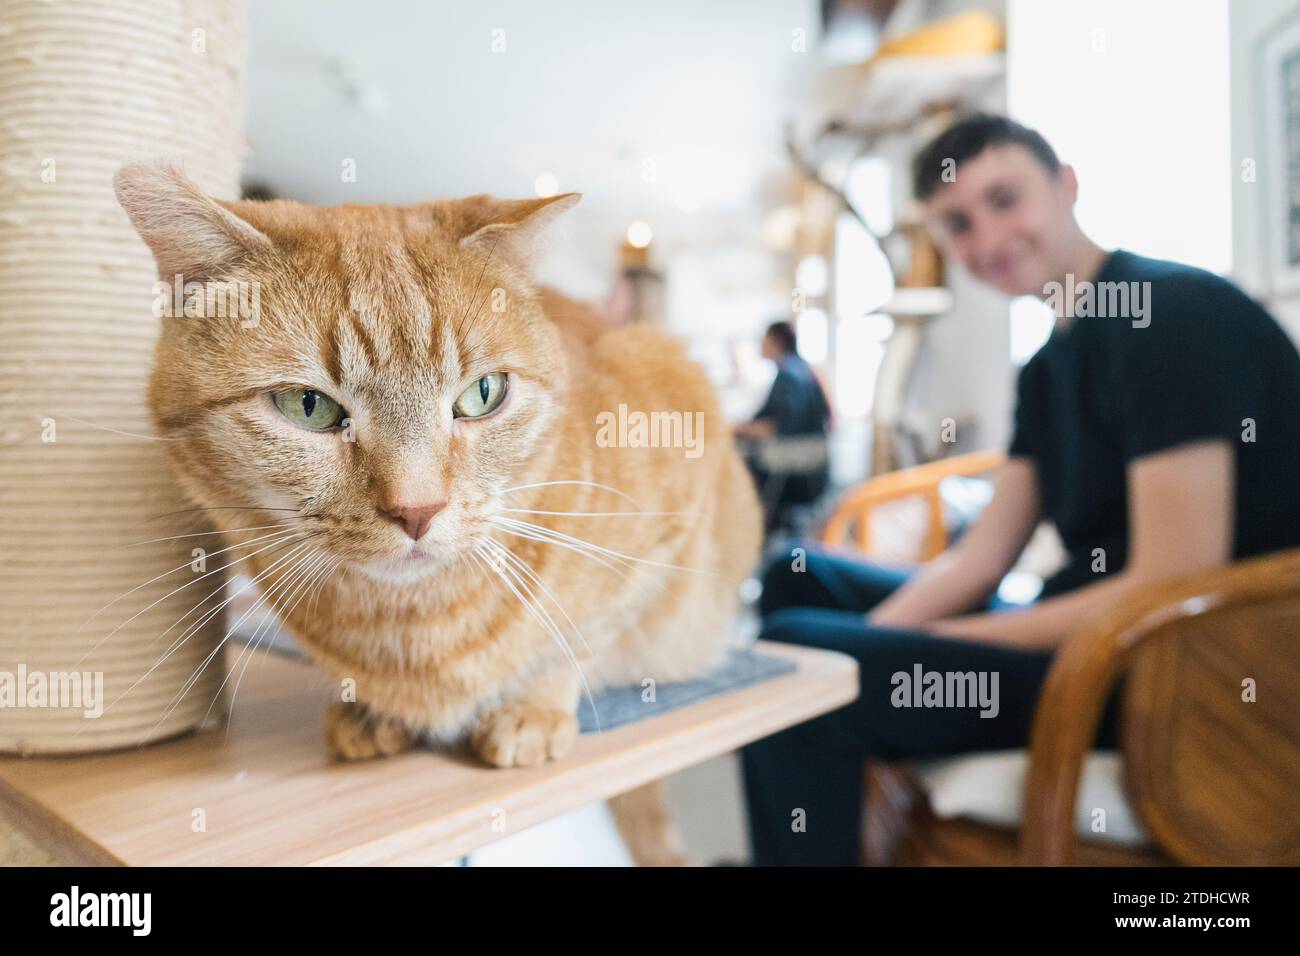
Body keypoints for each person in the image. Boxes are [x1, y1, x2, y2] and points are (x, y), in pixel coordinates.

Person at [741, 113, 1300, 866]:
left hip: (1167, 671)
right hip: (1085, 633)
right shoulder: (1046, 366)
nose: (987, 238)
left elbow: (1173, 579)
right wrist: (886, 643)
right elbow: (978, 562)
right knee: (794, 580)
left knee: (794, 652)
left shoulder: (1170, 313)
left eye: (1006, 200)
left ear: (1066, 186)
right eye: (958, 224)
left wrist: (927, 645)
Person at [735, 321, 832, 531]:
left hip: (801, 455)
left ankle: (758, 526)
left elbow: (777, 427)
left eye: (764, 340)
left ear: (776, 342)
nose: (760, 345)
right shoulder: (800, 368)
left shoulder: (789, 375)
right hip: (816, 452)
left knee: (743, 459)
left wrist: (736, 429)